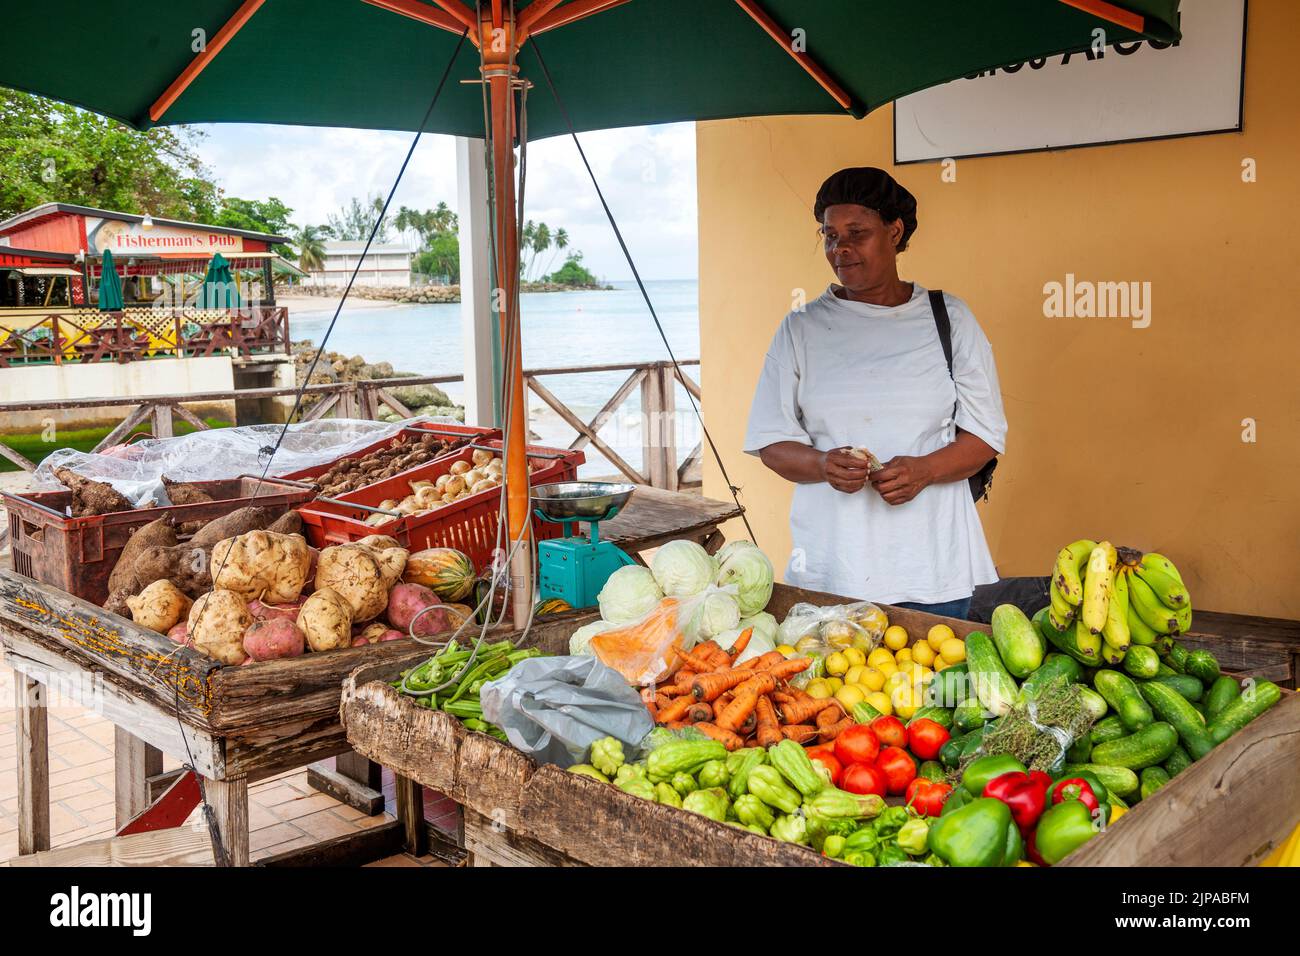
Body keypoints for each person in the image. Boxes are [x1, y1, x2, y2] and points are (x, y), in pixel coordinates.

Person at [743, 167, 1007, 620]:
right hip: (832, 577)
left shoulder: (950, 319)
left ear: (895, 231)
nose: (839, 248)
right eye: (829, 235)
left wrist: (924, 469)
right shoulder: (801, 329)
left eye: (857, 233)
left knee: (937, 691)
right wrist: (823, 465)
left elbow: (984, 438)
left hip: (936, 571)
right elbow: (772, 443)